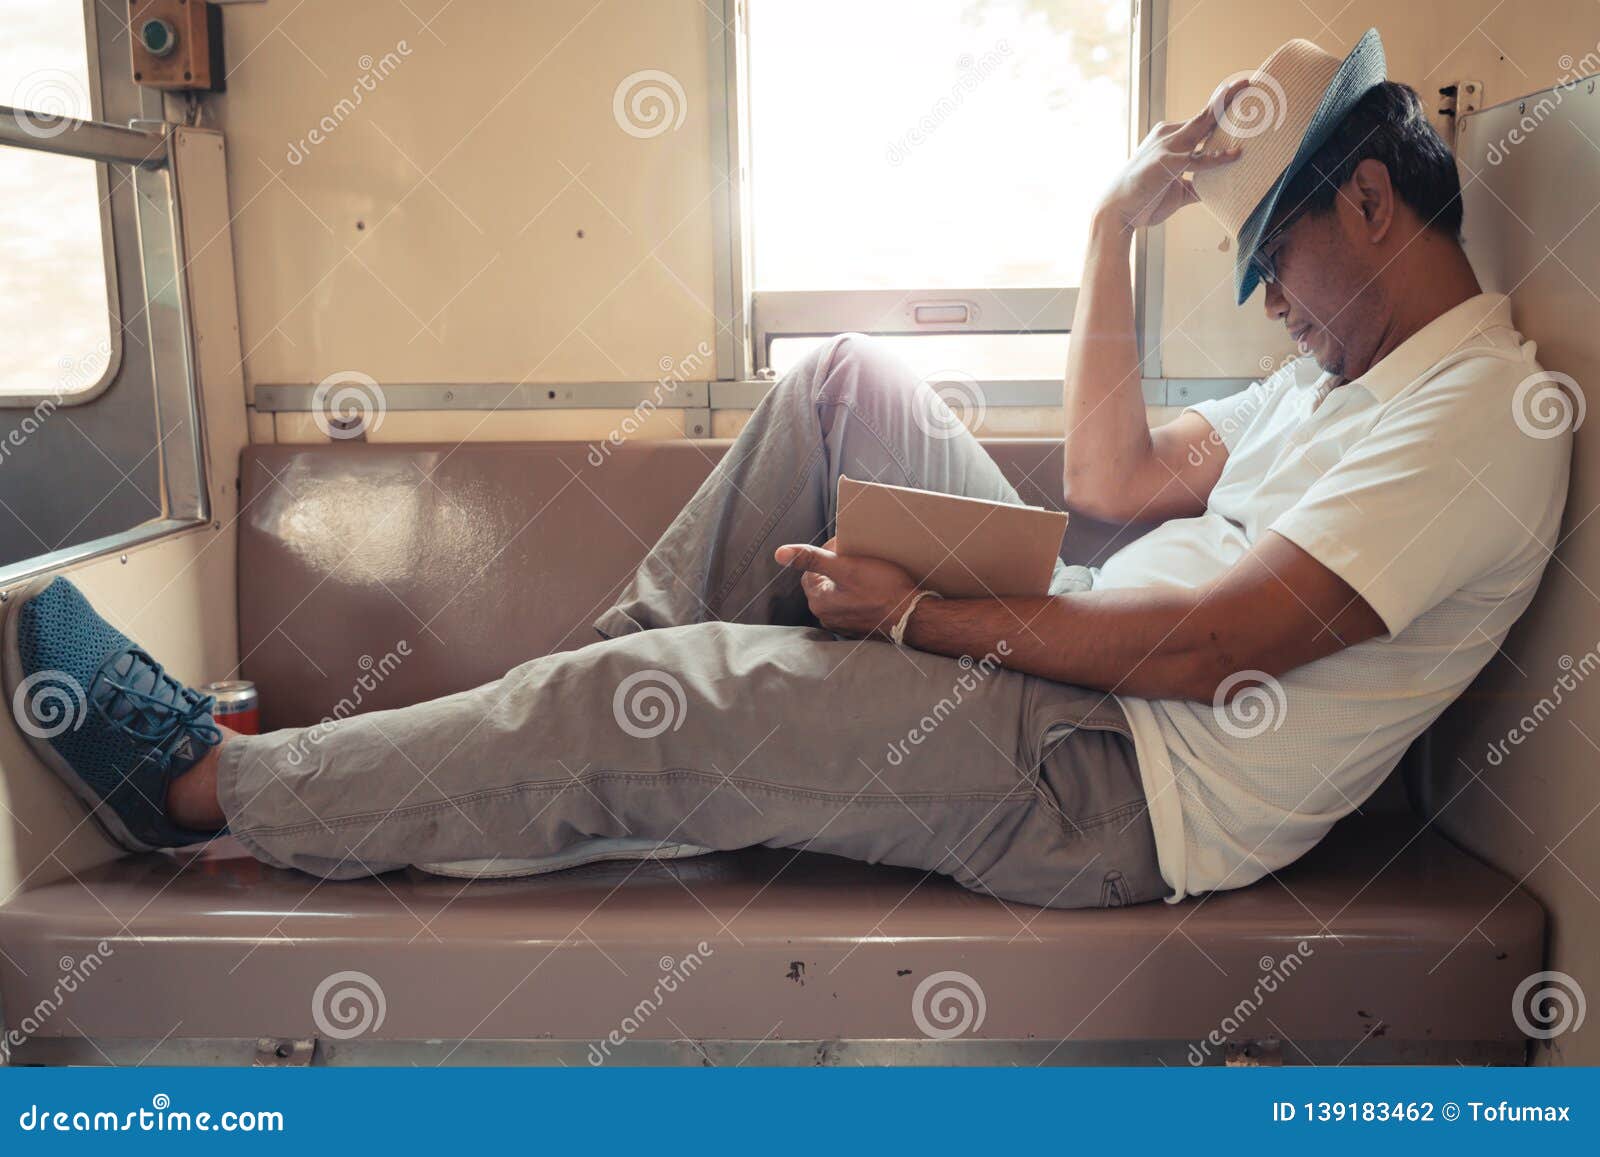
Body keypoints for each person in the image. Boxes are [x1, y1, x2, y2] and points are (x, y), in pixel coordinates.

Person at [3, 29, 1569, 908]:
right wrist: (1107, 229)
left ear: (1373, 204)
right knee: (844, 380)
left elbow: (1209, 650)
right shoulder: (1343, 382)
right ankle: (575, 734)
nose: (1274, 306)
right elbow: (1110, 478)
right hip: (1090, 660)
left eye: (1274, 261)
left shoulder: (1478, 421)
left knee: (643, 701)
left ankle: (200, 786)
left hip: (1116, 777)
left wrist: (911, 617)